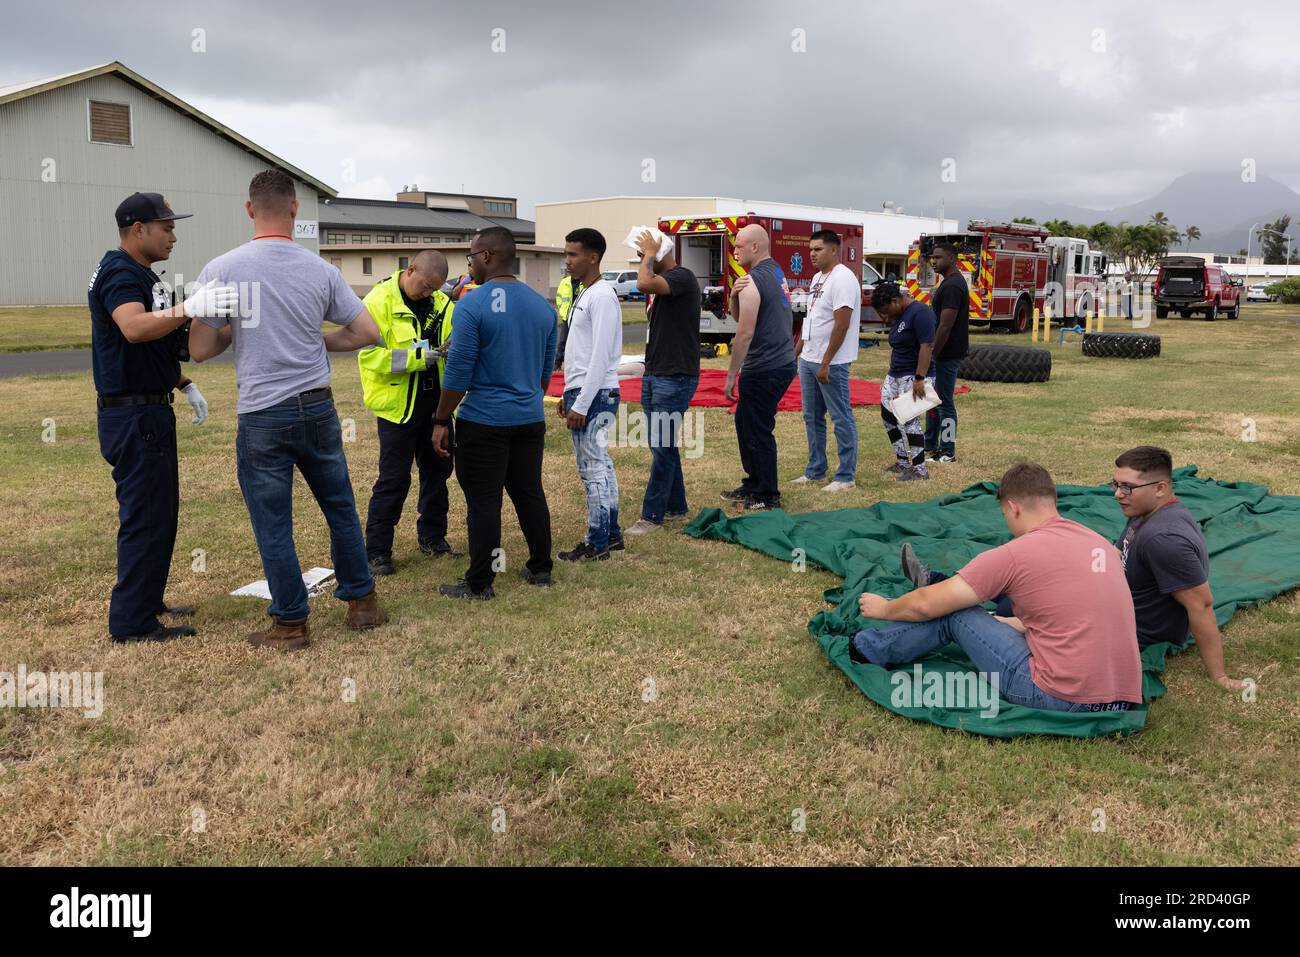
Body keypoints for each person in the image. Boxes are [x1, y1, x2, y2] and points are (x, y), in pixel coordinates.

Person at [189, 169, 389, 650]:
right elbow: (367, 333)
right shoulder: (321, 270)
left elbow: (198, 348)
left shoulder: (222, 268)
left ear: (250, 208)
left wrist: (237, 329)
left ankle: (291, 623)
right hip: (317, 406)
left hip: (263, 412)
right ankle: (361, 602)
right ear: (296, 210)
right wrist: (316, 340)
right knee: (339, 506)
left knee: (273, 521)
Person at [853, 463, 1143, 713]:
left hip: (1060, 697)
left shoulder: (1015, 553)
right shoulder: (1098, 543)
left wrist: (884, 608)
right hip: (1122, 697)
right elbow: (1073, 614)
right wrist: (1007, 623)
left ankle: (868, 648)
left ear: (1012, 507)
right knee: (978, 608)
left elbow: (925, 605)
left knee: (956, 611)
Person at [90, 192, 236, 643]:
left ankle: (147, 600)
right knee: (146, 515)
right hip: (133, 416)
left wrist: (184, 379)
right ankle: (132, 623)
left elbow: (166, 343)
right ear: (139, 229)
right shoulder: (119, 272)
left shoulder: (146, 276)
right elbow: (133, 327)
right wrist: (189, 307)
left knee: (160, 513)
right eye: (166, 227)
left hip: (151, 407)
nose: (174, 235)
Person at [432, 226, 556, 599]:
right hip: (529, 418)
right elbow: (545, 374)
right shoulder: (543, 306)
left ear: (486, 256)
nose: (469, 265)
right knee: (529, 492)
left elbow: (458, 372)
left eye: (470, 257)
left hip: (484, 421)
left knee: (484, 503)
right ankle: (540, 568)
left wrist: (440, 419)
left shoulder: (472, 304)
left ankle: (480, 583)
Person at [358, 250, 461, 577]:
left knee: (438, 472)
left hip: (437, 407)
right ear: (410, 269)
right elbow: (370, 358)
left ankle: (433, 538)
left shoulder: (443, 304)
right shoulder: (378, 302)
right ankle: (376, 551)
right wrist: (421, 356)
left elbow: (455, 339)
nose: (429, 293)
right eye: (426, 286)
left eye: (436, 288)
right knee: (393, 479)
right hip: (398, 409)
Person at [1111, 446, 1248, 690]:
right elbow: (1119, 552)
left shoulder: (1164, 539)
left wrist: (1219, 677)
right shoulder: (1143, 509)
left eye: (1127, 487)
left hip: (1132, 630)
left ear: (1160, 488)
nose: (1118, 495)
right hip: (1115, 603)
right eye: (1116, 484)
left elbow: (1201, 605)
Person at [626, 228, 701, 535]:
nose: (639, 261)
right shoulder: (668, 285)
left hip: (675, 376)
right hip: (658, 373)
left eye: (642, 256)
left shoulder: (682, 277)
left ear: (659, 254)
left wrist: (649, 254)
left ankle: (652, 516)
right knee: (662, 445)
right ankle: (676, 505)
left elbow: (643, 281)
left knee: (662, 444)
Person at [556, 228, 624, 561]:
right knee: (601, 464)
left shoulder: (601, 296)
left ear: (592, 257)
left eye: (573, 254)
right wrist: (568, 395)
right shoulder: (586, 292)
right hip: (584, 391)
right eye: (566, 254)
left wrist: (581, 402)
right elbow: (581, 351)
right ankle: (610, 536)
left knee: (592, 468)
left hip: (593, 395)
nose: (566, 261)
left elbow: (600, 357)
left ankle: (597, 544)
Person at [721, 224, 797, 511]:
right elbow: (743, 313)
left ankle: (767, 494)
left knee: (757, 428)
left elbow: (744, 332)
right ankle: (754, 483)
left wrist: (731, 376)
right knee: (746, 422)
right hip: (780, 362)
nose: (735, 250)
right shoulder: (775, 272)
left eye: (739, 245)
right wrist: (731, 297)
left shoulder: (754, 279)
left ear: (755, 247)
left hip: (765, 366)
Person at [791, 229, 860, 492]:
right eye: (810, 249)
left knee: (840, 417)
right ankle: (816, 470)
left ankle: (845, 477)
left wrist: (826, 362)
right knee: (812, 417)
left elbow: (841, 325)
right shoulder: (818, 278)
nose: (812, 254)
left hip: (831, 363)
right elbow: (811, 321)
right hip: (809, 359)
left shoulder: (843, 278)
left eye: (817, 249)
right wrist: (797, 352)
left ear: (833, 250)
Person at [871, 282, 935, 481]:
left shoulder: (920, 313)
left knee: (909, 420)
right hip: (896, 373)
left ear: (895, 300)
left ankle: (919, 470)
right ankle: (903, 461)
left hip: (914, 374)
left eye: (885, 311)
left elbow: (927, 346)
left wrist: (919, 378)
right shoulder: (899, 315)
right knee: (887, 415)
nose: (885, 316)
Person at [924, 241, 969, 464]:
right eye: (933, 257)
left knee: (944, 401)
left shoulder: (952, 285)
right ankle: (929, 444)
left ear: (952, 259)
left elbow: (945, 325)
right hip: (942, 352)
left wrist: (933, 352)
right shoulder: (948, 283)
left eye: (939, 257)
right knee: (932, 399)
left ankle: (947, 450)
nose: (934, 261)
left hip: (947, 353)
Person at [554, 269, 582, 370]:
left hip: (580, 318)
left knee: (579, 342)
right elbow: (559, 298)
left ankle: (576, 365)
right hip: (567, 317)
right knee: (562, 341)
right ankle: (557, 363)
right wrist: (563, 312)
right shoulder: (564, 282)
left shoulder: (584, 283)